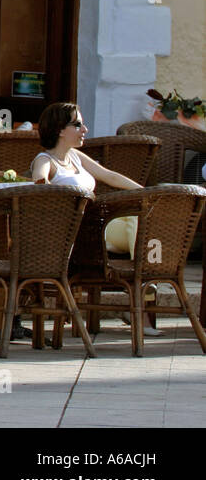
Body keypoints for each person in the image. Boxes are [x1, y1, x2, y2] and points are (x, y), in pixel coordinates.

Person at [30, 101, 156, 335]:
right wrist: (52, 191)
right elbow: (39, 182)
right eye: (78, 124)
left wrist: (147, 193)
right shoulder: (45, 160)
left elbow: (110, 176)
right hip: (73, 233)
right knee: (136, 222)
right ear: (60, 129)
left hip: (96, 229)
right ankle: (143, 292)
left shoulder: (76, 157)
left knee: (140, 218)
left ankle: (142, 282)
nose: (85, 130)